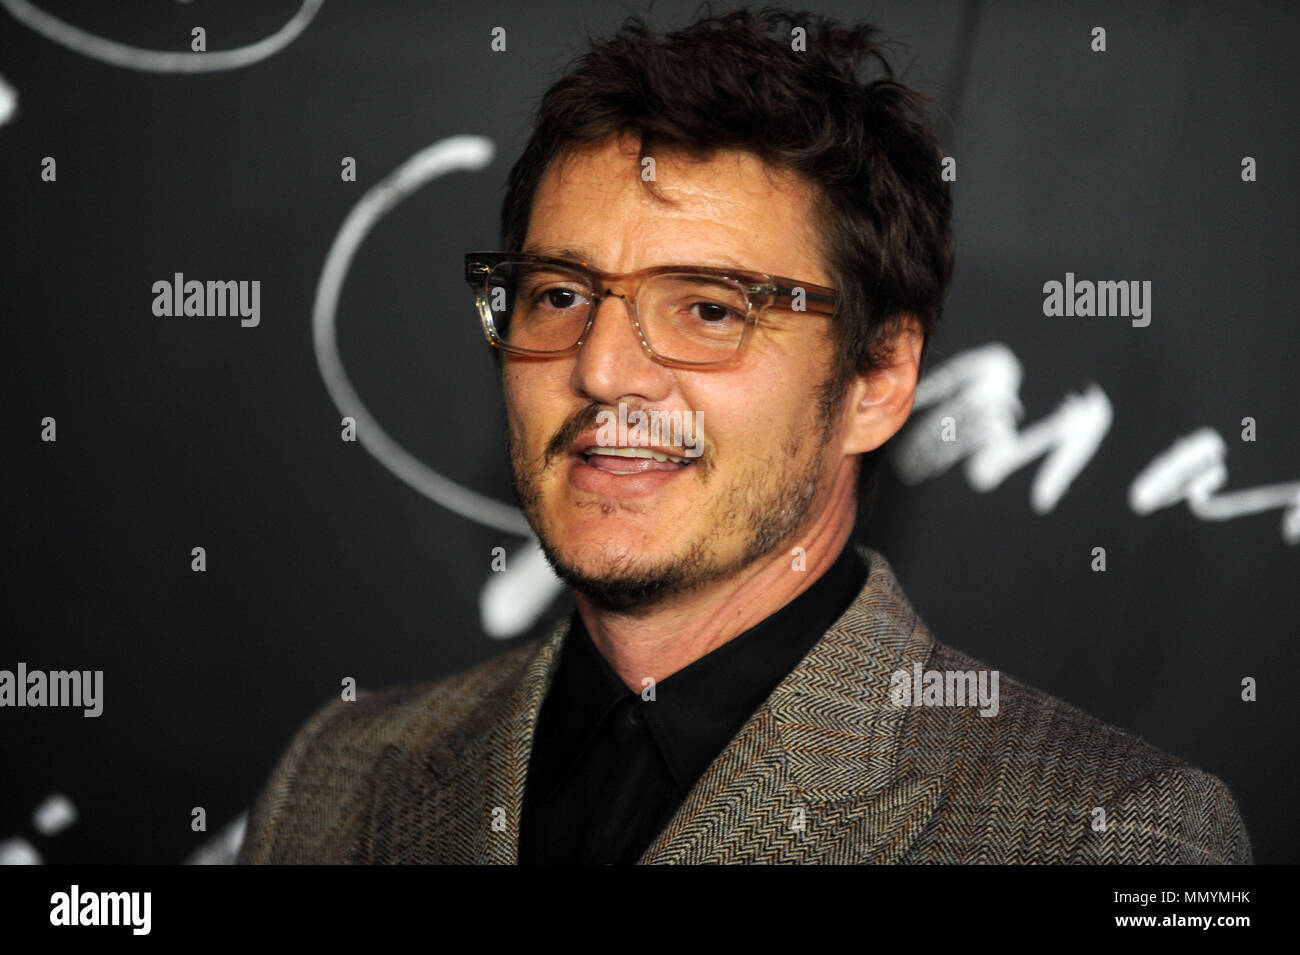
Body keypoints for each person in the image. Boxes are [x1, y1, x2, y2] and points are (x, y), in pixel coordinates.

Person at [238, 7, 1250, 864]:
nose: (600, 369)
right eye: (557, 294)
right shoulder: (335, 780)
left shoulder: (1110, 837)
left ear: (877, 378)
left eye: (710, 309)